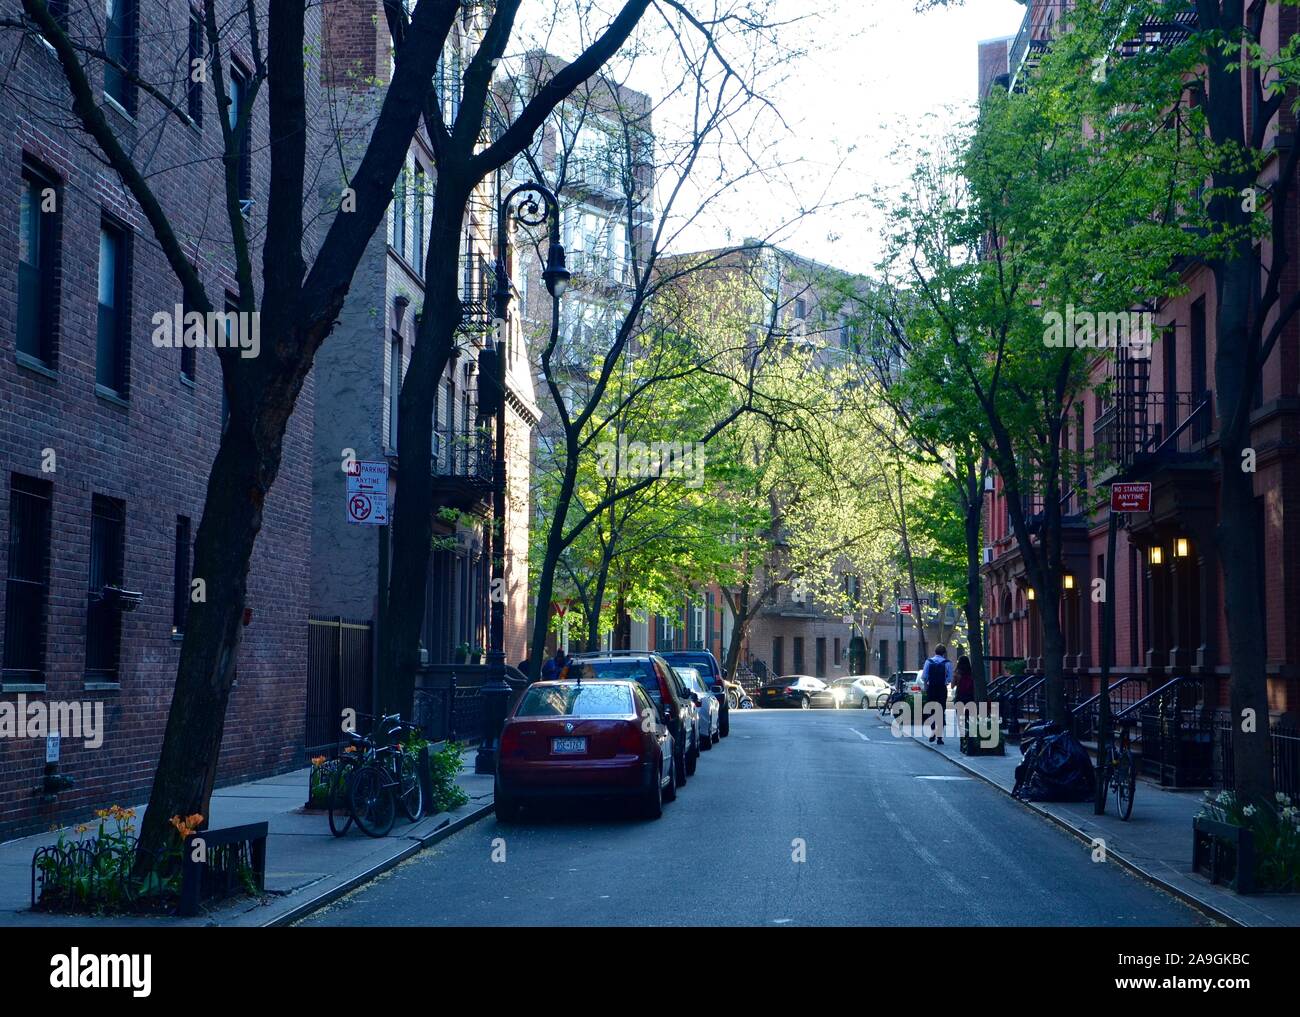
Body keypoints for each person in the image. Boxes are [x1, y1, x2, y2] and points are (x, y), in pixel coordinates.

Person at [922, 645, 950, 744]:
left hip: (932, 689)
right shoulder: (947, 663)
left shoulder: (929, 662)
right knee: (941, 712)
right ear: (944, 653)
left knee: (932, 711)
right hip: (942, 689)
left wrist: (927, 686)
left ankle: (933, 729)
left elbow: (924, 676)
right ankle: (940, 738)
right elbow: (949, 678)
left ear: (935, 651)